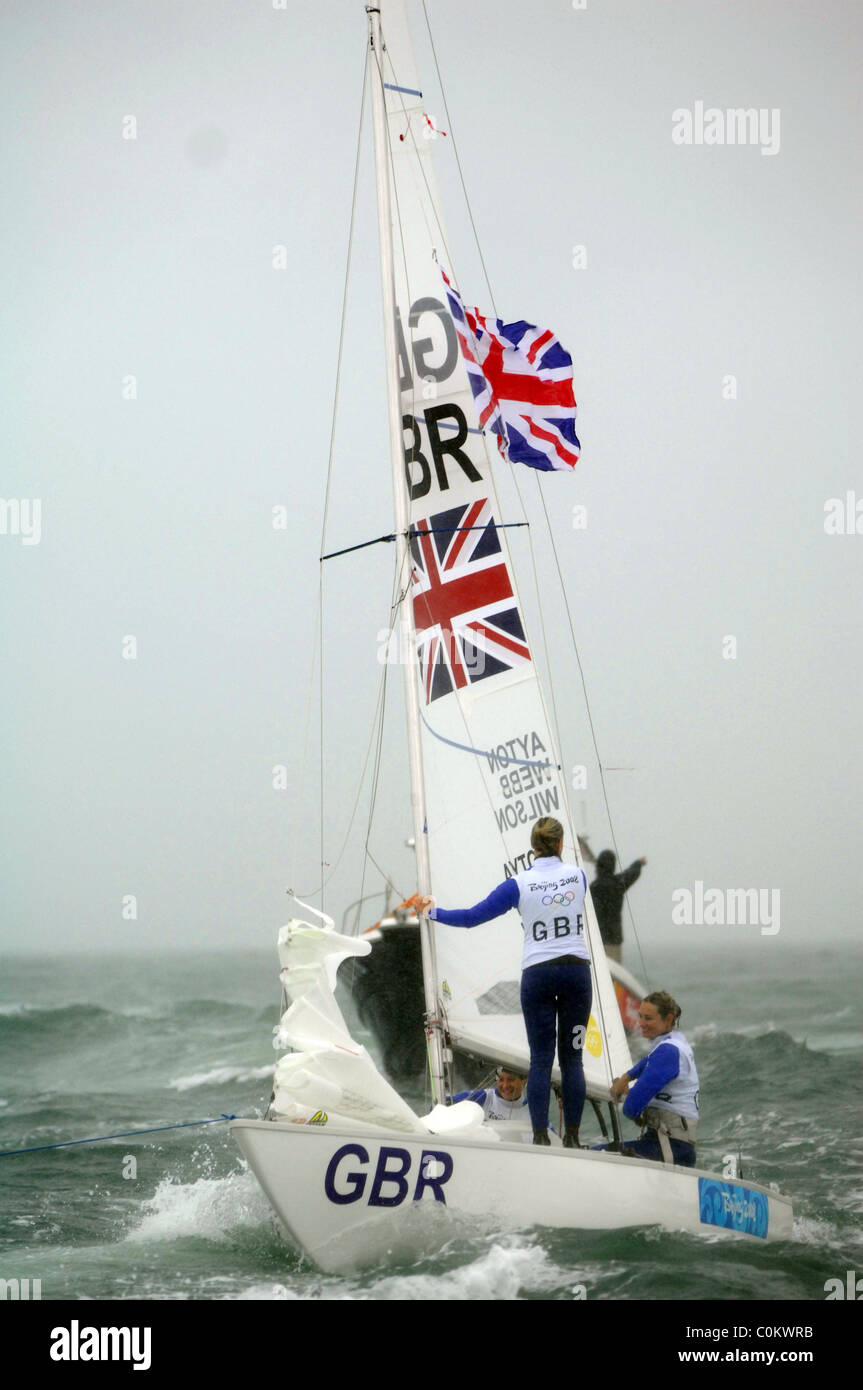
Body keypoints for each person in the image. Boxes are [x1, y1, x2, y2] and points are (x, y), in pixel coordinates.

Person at [416, 816, 591, 1149]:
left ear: (532, 847)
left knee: (540, 1059)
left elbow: (472, 918)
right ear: (560, 844)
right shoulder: (578, 876)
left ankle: (539, 1136)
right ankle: (572, 1138)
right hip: (576, 975)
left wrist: (433, 913)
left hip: (538, 975)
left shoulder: (518, 883)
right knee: (573, 1061)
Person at [603, 990, 699, 1166]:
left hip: (670, 1147)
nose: (641, 1023)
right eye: (640, 1017)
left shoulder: (668, 1052)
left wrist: (625, 1096)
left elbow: (631, 1107)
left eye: (648, 1018)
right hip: (669, 1144)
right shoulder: (676, 1042)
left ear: (669, 1019)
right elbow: (647, 1062)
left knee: (596, 1155)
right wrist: (627, 1077)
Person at [589, 849, 646, 964]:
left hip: (595, 940)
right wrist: (638, 863)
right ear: (613, 865)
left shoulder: (592, 887)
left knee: (598, 977)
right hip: (613, 940)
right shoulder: (617, 884)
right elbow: (631, 873)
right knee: (613, 979)